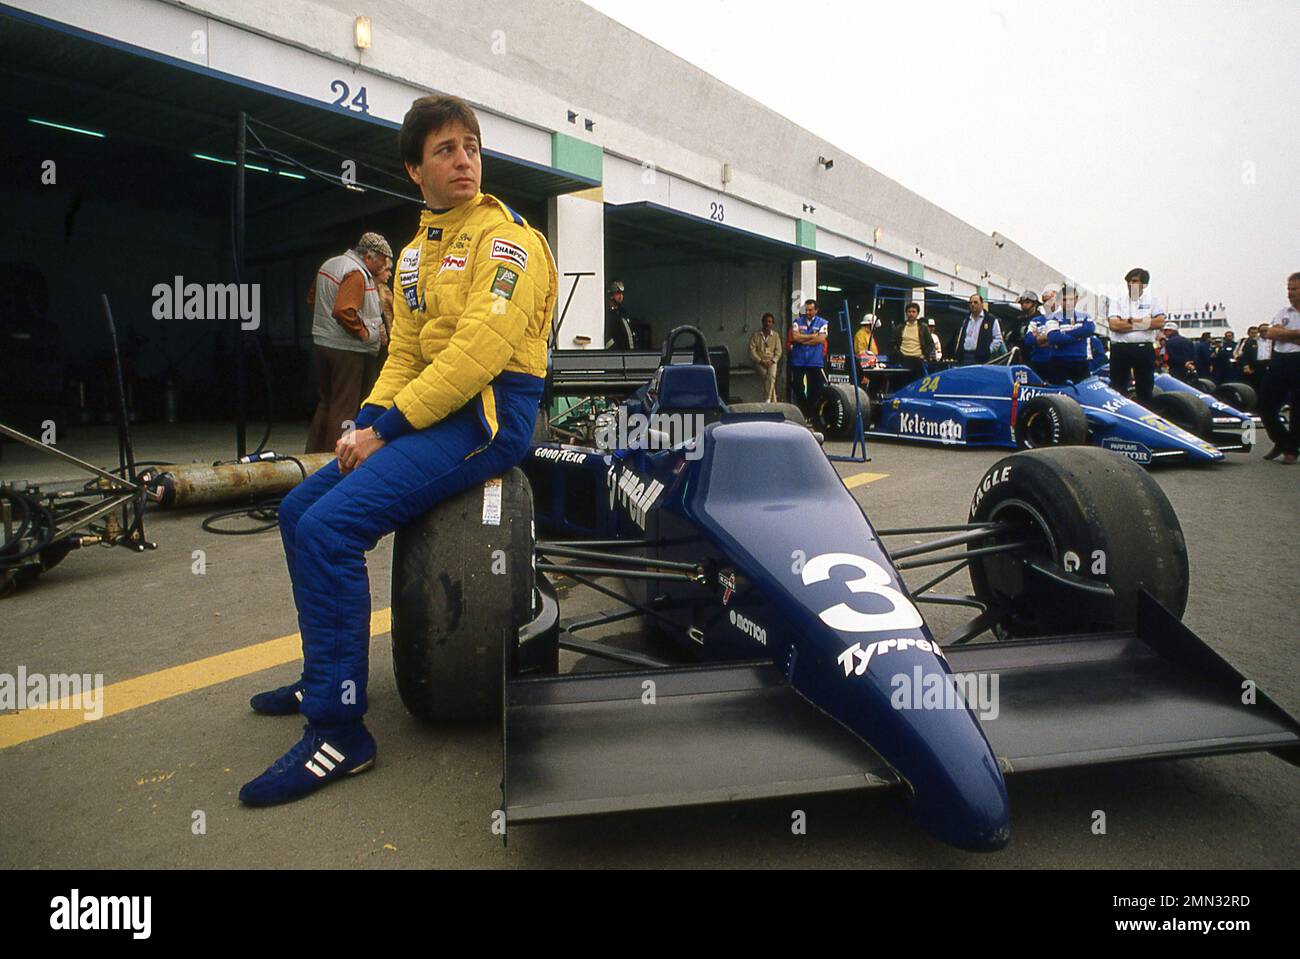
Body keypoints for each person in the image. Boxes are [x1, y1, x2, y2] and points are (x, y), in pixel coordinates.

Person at [239, 94, 559, 806]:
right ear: (414, 168)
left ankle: (341, 730)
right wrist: (366, 419)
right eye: (445, 150)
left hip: (487, 415)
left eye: (471, 146)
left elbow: (478, 352)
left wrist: (387, 429)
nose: (464, 160)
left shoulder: (508, 240)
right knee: (298, 511)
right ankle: (324, 672)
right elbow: (405, 350)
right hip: (431, 407)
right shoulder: (412, 257)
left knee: (331, 530)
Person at [304, 232, 393, 454]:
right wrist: (364, 333)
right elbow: (344, 310)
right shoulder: (356, 273)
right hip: (347, 350)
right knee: (346, 407)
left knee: (326, 403)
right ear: (371, 257)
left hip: (323, 343)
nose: (386, 266)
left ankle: (314, 454)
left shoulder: (331, 265)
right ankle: (338, 457)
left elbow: (312, 299)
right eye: (384, 260)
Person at [1258, 271, 1300, 464]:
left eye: (1295, 289)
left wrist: (1282, 333)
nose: (1290, 293)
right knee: (1265, 405)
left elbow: (1276, 333)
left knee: (1297, 408)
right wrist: (1293, 334)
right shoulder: (1284, 312)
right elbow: (1268, 332)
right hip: (1280, 359)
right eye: (1289, 289)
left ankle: (1292, 450)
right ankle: (1282, 440)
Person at [1107, 267, 1164, 403]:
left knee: (1145, 389)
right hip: (1121, 349)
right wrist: (1145, 323)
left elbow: (1160, 322)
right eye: (1128, 281)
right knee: (1117, 389)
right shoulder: (1117, 300)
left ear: (1144, 284)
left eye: (1134, 281)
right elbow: (1114, 325)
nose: (1130, 284)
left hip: (1143, 350)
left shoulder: (1153, 300)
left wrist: (1130, 322)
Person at [1044, 284, 1095, 383]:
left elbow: (1089, 329)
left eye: (1071, 299)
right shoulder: (1052, 317)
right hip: (1058, 362)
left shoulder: (1085, 316)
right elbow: (1054, 338)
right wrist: (1079, 336)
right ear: (1059, 300)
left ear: (1076, 299)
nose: (1068, 303)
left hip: (1081, 362)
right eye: (1064, 300)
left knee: (1082, 395)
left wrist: (1066, 335)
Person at [362, 263, 394, 401]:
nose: (389, 274)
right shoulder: (365, 288)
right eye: (386, 270)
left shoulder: (385, 290)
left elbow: (394, 313)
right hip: (368, 341)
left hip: (386, 341)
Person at [788, 298, 829, 407]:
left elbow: (820, 339)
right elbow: (795, 337)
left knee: (815, 388)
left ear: (816, 310)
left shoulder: (823, 323)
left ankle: (811, 412)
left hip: (814, 361)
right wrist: (812, 336)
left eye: (810, 310)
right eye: (806, 310)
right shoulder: (797, 322)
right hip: (798, 360)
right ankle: (804, 408)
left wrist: (803, 340)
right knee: (797, 385)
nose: (807, 312)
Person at [952, 293, 1004, 365]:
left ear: (982, 304)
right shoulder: (966, 319)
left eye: (975, 302)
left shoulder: (991, 320)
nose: (972, 304)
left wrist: (988, 350)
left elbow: (998, 338)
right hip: (965, 357)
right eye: (971, 303)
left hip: (981, 358)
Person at [891, 301, 935, 384]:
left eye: (913, 312)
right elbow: (893, 343)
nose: (911, 314)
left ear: (917, 313)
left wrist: (924, 355)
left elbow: (930, 344)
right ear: (906, 313)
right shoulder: (899, 328)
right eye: (909, 312)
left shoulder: (923, 327)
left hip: (918, 359)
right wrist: (897, 353)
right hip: (903, 358)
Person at [1019, 291, 1055, 380]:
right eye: (1045, 301)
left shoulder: (1060, 320)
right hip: (1030, 360)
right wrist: (1044, 338)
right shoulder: (1033, 320)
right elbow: (1028, 340)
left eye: (1027, 302)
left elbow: (1057, 338)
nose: (1024, 305)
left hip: (1052, 362)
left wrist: (1040, 338)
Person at [748, 312, 782, 403]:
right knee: (770, 378)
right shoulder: (756, 335)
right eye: (766, 321)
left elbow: (779, 352)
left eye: (770, 322)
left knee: (771, 377)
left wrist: (772, 361)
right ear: (762, 322)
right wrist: (760, 361)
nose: (768, 323)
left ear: (773, 323)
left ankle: (767, 401)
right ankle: (773, 402)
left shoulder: (775, 335)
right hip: (759, 362)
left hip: (771, 362)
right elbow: (752, 351)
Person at [1237, 325, 1270, 390]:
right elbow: (1245, 355)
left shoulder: (1273, 341)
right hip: (1256, 366)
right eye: (1262, 331)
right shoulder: (1252, 341)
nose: (1264, 333)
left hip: (1269, 365)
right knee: (1256, 386)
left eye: (1266, 331)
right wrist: (1246, 366)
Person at [605, 280, 635, 350]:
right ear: (611, 295)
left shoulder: (622, 312)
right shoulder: (608, 315)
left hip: (627, 354)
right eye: (618, 293)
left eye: (621, 293)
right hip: (616, 355)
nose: (621, 296)